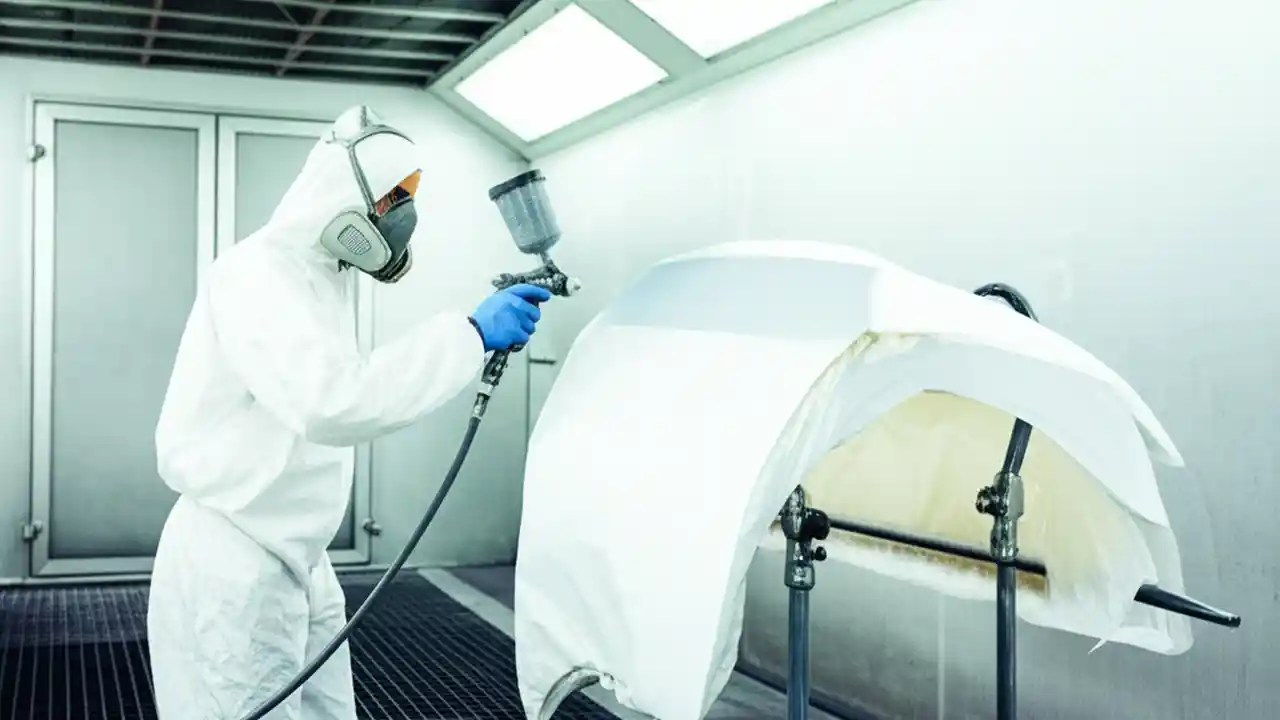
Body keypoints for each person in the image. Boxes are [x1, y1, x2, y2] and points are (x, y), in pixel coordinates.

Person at [146, 105, 550, 719]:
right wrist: (470, 334)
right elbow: (331, 400)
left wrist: (471, 336)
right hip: (235, 555)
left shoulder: (322, 275)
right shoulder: (257, 274)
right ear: (344, 199)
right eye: (396, 198)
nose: (406, 215)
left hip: (300, 553)